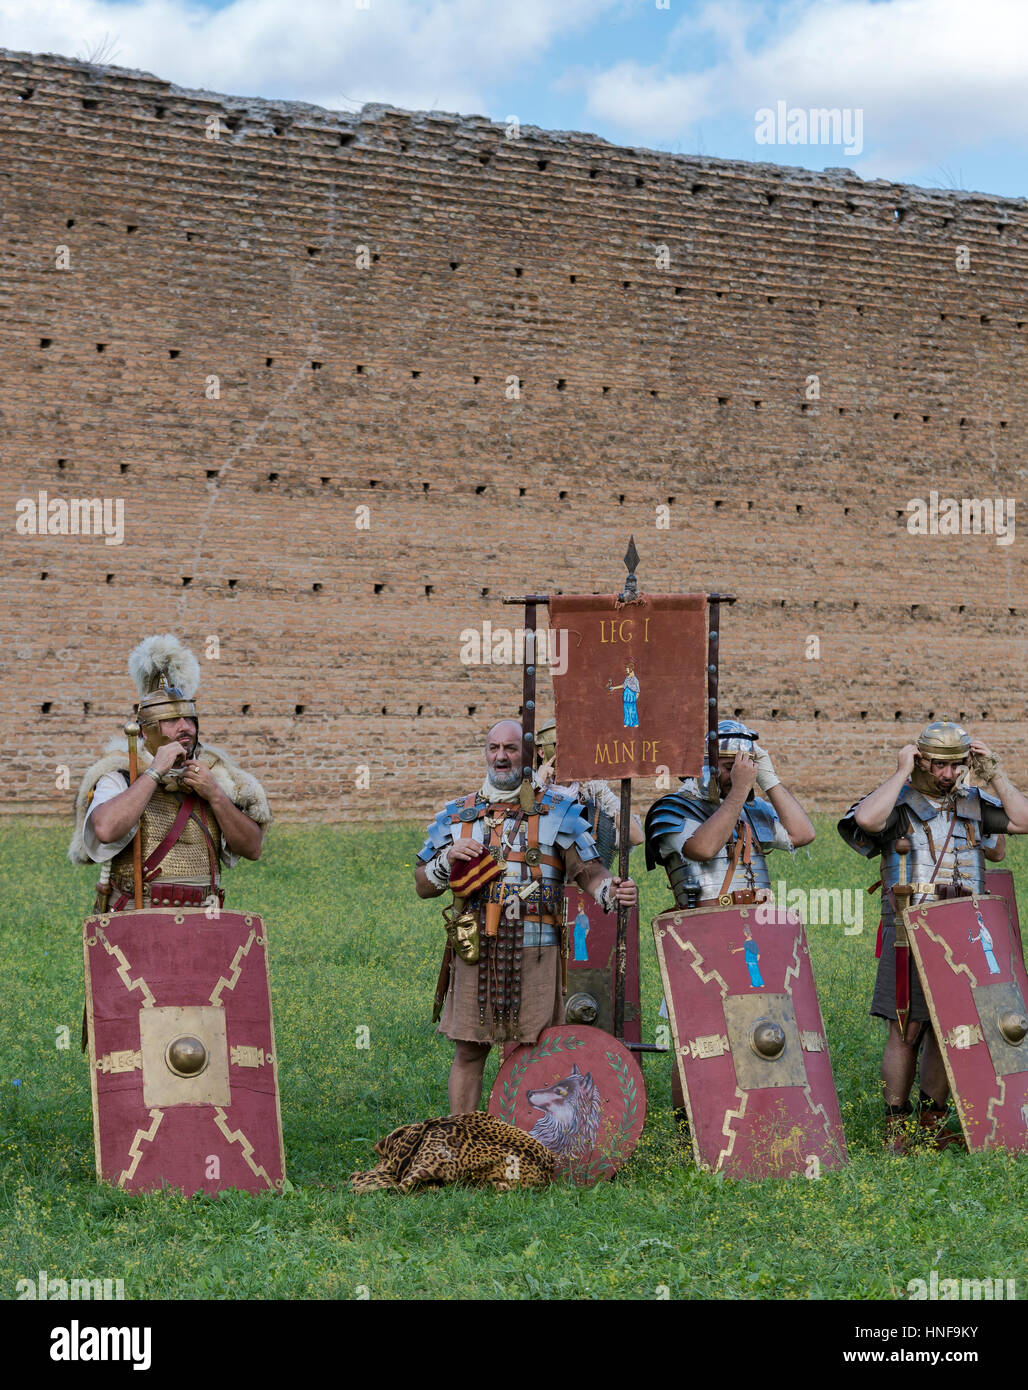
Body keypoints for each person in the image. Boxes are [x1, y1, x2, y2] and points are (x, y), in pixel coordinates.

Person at [415, 719, 638, 1114]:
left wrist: (610, 891)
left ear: (529, 753)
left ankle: (528, 1141)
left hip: (537, 948)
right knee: (469, 1051)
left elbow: (590, 872)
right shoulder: (459, 814)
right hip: (475, 949)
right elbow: (423, 886)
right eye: (493, 748)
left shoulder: (559, 810)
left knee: (534, 1051)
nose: (501, 756)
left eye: (510, 748)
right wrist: (445, 860)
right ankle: (465, 1137)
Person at [837, 720, 1028, 1151]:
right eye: (940, 766)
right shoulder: (896, 805)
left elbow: (1023, 820)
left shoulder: (974, 802)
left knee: (954, 1028)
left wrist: (994, 773)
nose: (949, 775)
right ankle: (896, 1126)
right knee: (907, 1028)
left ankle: (932, 1121)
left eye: (957, 765)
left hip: (968, 931)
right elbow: (865, 821)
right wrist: (903, 771)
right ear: (921, 759)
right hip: (910, 931)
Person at [644, 719, 815, 1116]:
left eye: (743, 763)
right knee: (698, 1037)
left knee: (762, 1028)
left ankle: (756, 1117)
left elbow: (803, 833)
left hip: (756, 935)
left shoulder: (753, 808)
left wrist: (768, 780)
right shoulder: (672, 809)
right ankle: (690, 1129)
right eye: (726, 764)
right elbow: (702, 848)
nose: (736, 771)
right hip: (702, 936)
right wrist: (738, 790)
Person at [69, 634, 270, 913]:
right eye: (171, 720)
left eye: (189, 719)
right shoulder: (121, 775)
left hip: (204, 916)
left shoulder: (216, 776)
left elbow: (253, 849)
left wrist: (214, 795)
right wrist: (153, 774)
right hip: (138, 915)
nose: (184, 727)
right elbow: (105, 829)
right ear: (145, 730)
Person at [534, 718, 643, 870]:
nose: (569, 753)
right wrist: (536, 785)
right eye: (561, 746)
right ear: (541, 751)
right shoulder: (529, 793)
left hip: (586, 890)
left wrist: (604, 794)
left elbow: (636, 838)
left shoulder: (591, 800)